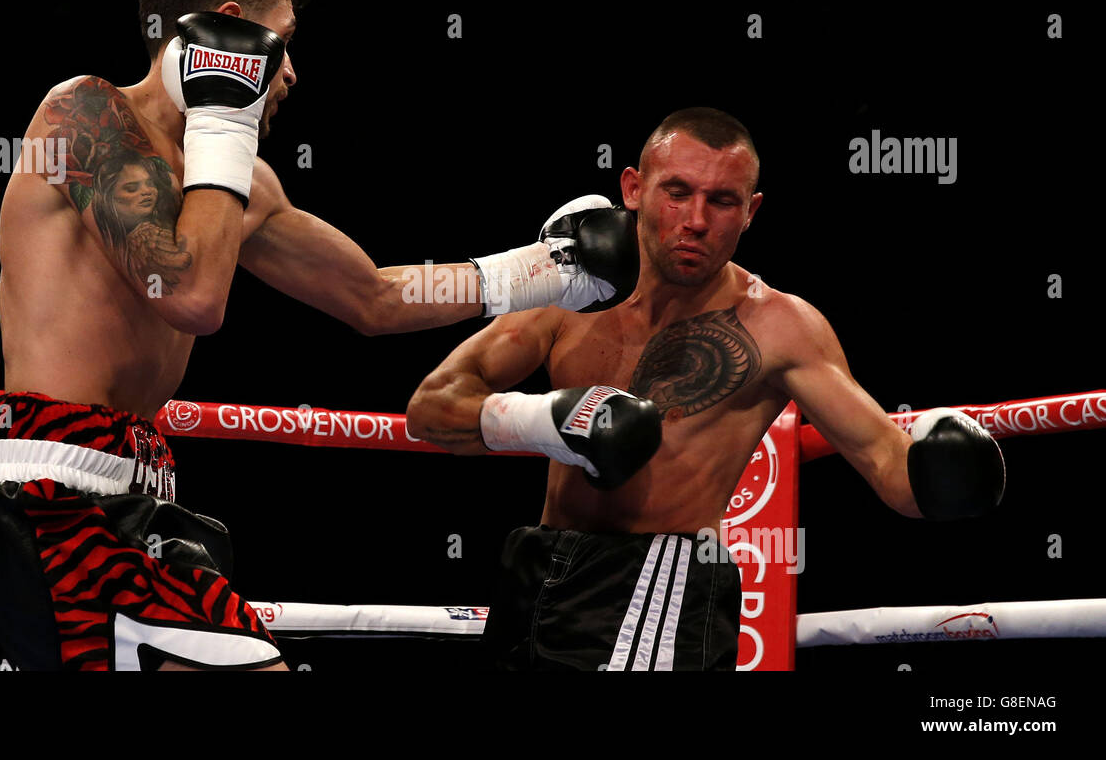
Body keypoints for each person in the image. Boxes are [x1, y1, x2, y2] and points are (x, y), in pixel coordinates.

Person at [0, 0, 635, 671]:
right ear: (228, 30)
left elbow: (373, 297)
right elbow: (189, 294)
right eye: (279, 44)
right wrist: (226, 118)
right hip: (53, 496)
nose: (292, 71)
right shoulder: (82, 114)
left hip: (131, 497)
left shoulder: (234, 178)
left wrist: (546, 270)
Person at [405, 107, 1007, 671]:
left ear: (751, 211)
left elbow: (885, 459)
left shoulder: (781, 327)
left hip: (657, 581)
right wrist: (548, 418)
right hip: (533, 565)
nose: (696, 220)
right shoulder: (570, 286)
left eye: (722, 201)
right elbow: (430, 409)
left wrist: (944, 472)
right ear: (634, 188)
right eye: (677, 192)